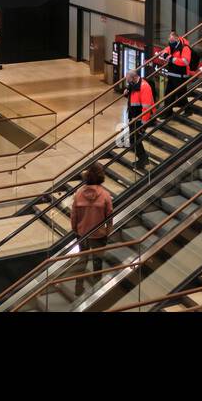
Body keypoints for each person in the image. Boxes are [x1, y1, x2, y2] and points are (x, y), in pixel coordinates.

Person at [70, 161, 114, 296]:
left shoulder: (78, 194)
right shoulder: (105, 195)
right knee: (97, 260)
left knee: (82, 259)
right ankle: (97, 288)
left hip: (82, 233)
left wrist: (75, 230)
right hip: (99, 235)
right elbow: (109, 215)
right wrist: (108, 230)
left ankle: (78, 287)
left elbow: (74, 216)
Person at [122, 70, 153, 169]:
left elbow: (146, 107)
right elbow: (134, 98)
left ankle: (143, 159)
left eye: (129, 80)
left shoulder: (144, 87)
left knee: (134, 138)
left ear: (134, 77)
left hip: (141, 118)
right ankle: (143, 158)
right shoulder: (134, 85)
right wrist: (127, 93)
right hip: (134, 117)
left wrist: (143, 124)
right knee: (133, 138)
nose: (128, 83)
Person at [160, 30, 192, 118]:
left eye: (172, 40)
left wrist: (171, 59)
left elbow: (185, 62)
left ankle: (188, 110)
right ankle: (168, 112)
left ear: (177, 38)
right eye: (169, 40)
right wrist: (166, 56)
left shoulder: (185, 48)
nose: (170, 42)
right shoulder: (171, 46)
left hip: (181, 76)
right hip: (172, 74)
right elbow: (163, 53)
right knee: (168, 94)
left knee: (181, 94)